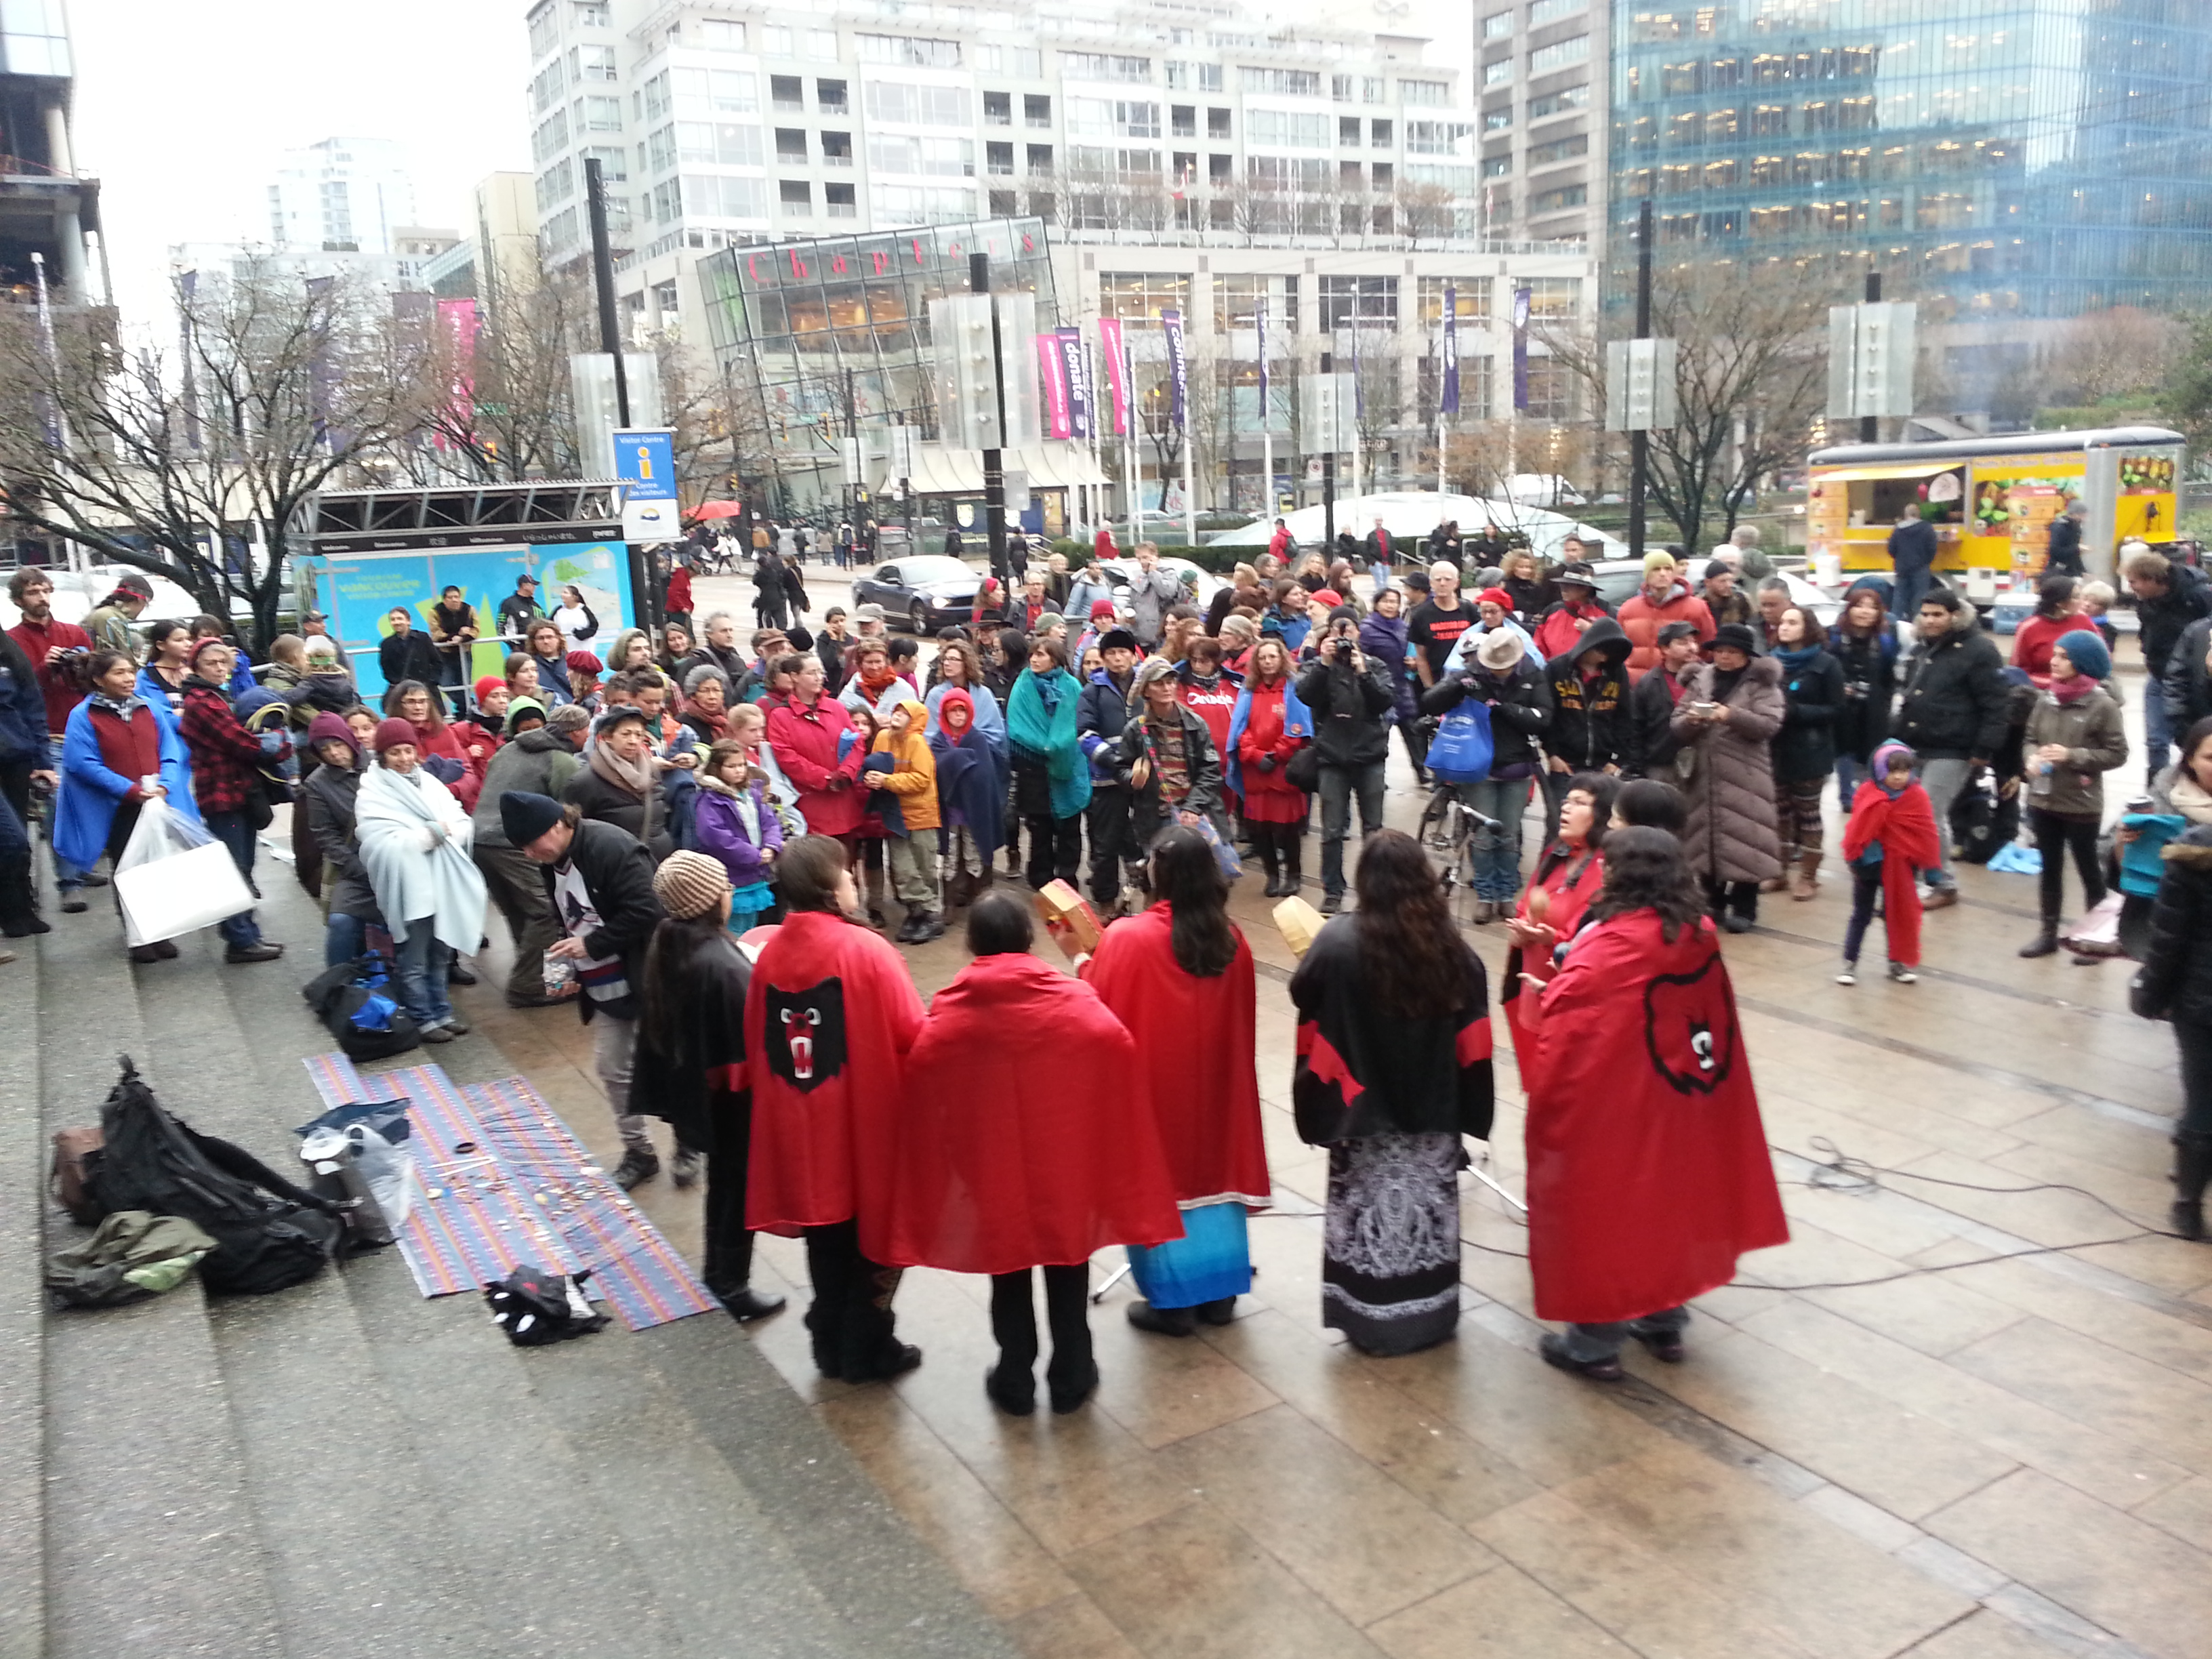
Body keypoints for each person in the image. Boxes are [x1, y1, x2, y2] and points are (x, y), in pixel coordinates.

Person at [883, 893, 1179, 1415]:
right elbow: (1117, 1041)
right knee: (1068, 1259)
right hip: (1062, 1157)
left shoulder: (954, 1005)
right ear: (1028, 938)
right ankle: (1073, 1372)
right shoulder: (1069, 997)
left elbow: (924, 1066)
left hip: (990, 1161)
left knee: (1008, 1265)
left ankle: (1015, 1374)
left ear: (972, 942)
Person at [1515, 826, 1788, 1378]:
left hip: (1619, 1108)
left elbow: (1575, 1034)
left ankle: (1594, 1344)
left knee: (1607, 1210)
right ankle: (1664, 1323)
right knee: (1670, 1206)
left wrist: (1551, 994)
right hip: (1685, 1100)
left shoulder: (1612, 945)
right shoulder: (1697, 931)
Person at [1288, 829, 1493, 1355]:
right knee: (1427, 1222)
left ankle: (1368, 1318)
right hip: (1433, 1110)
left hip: (1362, 1113)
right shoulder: (1450, 947)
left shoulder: (1337, 941)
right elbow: (1474, 1038)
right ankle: (1430, 1315)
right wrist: (1473, 1109)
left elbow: (1302, 992)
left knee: (1367, 1219)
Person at [743, 834, 926, 1382]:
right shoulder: (867, 950)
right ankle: (869, 1346)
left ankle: (827, 1339)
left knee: (825, 1237)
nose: (854, 882)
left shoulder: (771, 952)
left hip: (800, 1122)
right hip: (863, 1119)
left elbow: (757, 1035)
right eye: (847, 875)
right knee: (875, 1241)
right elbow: (911, 1031)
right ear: (828, 889)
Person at [1072, 825, 1269, 1336]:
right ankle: (1221, 1293)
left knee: (1160, 1182)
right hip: (1218, 1091)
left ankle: (1171, 1303)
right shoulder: (1234, 940)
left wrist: (1078, 956)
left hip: (1155, 1092)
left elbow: (1097, 1005)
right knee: (1215, 1181)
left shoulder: (1128, 938)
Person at [626, 848, 784, 1309]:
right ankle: (732, 1285)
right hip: (734, 1100)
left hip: (701, 1095)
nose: (730, 893)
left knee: (724, 1187)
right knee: (737, 1193)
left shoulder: (672, 938)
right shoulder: (721, 964)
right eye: (725, 888)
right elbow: (747, 1041)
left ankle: (718, 1274)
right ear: (709, 900)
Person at [506, 792, 668, 1187]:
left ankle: (688, 1144)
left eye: (532, 844)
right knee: (613, 1068)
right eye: (523, 848)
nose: (529, 855)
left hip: (650, 976)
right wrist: (563, 972)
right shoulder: (553, 859)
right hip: (605, 983)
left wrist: (591, 946)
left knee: (670, 1064)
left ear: (559, 825)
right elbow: (566, 916)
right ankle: (639, 1151)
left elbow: (650, 909)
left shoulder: (610, 846)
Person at [55, 651, 196, 962]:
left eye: (130, 671)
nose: (129, 678)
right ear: (98, 680)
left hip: (156, 800)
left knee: (159, 866)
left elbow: (169, 750)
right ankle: (139, 935)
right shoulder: (84, 715)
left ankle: (163, 931)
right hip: (118, 805)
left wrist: (166, 783)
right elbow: (81, 762)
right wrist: (128, 789)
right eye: (119, 673)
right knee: (129, 868)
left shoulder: (148, 707)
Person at [356, 718, 484, 1042]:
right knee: (413, 957)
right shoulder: (373, 792)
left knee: (440, 953)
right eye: (396, 752)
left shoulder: (429, 783)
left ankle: (442, 1012)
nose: (404, 758)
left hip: (442, 880)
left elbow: (458, 816)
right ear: (382, 755)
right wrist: (430, 835)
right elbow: (377, 842)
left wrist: (452, 830)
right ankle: (423, 1018)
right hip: (411, 887)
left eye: (409, 750)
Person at [2130, 747, 2212, 1238]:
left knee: (2202, 1099)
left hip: (2200, 1003)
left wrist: (2149, 993)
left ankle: (2187, 1205)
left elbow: (2167, 939)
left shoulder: (2192, 854)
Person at [1422, 629, 1553, 923]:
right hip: (1477, 767)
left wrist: (1502, 709)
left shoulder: (1532, 673)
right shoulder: (1473, 673)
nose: (1498, 671)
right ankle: (1485, 894)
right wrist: (1458, 686)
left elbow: (1544, 718)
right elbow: (1430, 702)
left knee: (1508, 835)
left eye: (1503, 666)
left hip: (1517, 766)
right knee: (1482, 836)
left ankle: (1505, 893)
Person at [1896, 588, 2011, 910]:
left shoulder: (1979, 650)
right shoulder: (1923, 648)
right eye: (1926, 614)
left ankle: (1943, 883)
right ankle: (1914, 880)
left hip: (1954, 746)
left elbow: (1996, 703)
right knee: (1910, 814)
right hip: (1915, 742)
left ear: (1955, 616)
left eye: (1938, 615)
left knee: (1929, 814)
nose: (1931, 620)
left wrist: (1985, 748)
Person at [2018, 630, 2128, 958]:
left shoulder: (2102, 705)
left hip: (2081, 803)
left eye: (2064, 656)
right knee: (2049, 866)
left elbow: (2117, 753)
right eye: (2055, 654)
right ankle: (2048, 933)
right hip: (2043, 798)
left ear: (2084, 663)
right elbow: (2029, 737)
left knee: (2088, 869)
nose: (2054, 662)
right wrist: (2031, 758)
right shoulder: (2046, 699)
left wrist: (2073, 756)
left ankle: (2097, 937)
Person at [176, 636, 285, 963]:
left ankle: (246, 934)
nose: (221, 668)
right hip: (223, 794)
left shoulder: (214, 697)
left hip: (235, 790)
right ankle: (240, 939)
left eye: (225, 662)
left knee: (244, 864)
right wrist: (277, 743)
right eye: (212, 663)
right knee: (235, 866)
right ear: (196, 666)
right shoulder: (202, 702)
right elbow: (244, 744)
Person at [1671, 623, 1785, 932]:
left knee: (1747, 840)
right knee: (1704, 836)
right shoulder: (1701, 678)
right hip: (1703, 773)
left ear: (1746, 656)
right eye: (1720, 651)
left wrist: (1729, 715)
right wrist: (1692, 720)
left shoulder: (1762, 684)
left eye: (1732, 653)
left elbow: (1768, 725)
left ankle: (1746, 906)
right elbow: (1677, 723)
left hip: (1745, 773)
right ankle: (1712, 902)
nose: (1724, 658)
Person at [1500, 772, 1620, 1056]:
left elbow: (1599, 937)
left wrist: (1552, 938)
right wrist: (1522, 927)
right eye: (1567, 801)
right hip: (1533, 989)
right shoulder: (1558, 852)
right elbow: (1526, 907)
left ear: (1604, 814)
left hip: (1574, 998)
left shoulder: (1610, 867)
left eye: (1580, 802)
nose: (1566, 807)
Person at [7, 568, 100, 909]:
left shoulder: (73, 632)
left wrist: (82, 666)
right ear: (19, 599)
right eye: (33, 592)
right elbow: (16, 693)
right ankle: (68, 882)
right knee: (57, 805)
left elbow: (94, 682)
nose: (42, 598)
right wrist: (45, 668)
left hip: (84, 730)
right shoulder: (12, 639)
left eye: (46, 590)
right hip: (46, 736)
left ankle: (79, 863)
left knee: (89, 803)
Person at [1298, 610, 1393, 915]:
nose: (1343, 637)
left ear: (1358, 632)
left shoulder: (1374, 664)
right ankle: (1333, 890)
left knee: (1374, 829)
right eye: (1337, 631)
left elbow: (1384, 701)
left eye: (1348, 629)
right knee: (1332, 830)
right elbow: (1305, 695)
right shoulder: (1318, 666)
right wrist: (1324, 664)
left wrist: (1362, 671)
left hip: (1369, 756)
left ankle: (1375, 891)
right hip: (1332, 757)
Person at [1836, 741, 1942, 986]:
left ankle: (1897, 963)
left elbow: (1927, 835)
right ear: (1880, 770)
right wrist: (1854, 858)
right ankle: (1849, 964)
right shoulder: (1866, 792)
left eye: (1904, 771)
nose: (1898, 777)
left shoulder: (1917, 797)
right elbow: (1856, 831)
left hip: (1903, 868)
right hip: (1869, 867)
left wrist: (1933, 872)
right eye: (1893, 771)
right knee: (1861, 914)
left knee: (1898, 914)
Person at [1119, 655, 1229, 856]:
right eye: (1159, 684)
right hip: (1155, 818)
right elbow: (1121, 768)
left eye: (1170, 682)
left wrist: (1193, 807)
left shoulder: (1195, 724)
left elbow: (1211, 770)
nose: (1166, 688)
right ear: (1145, 691)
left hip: (1194, 815)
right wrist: (1132, 779)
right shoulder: (1135, 729)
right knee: (1161, 876)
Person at [1769, 607, 1843, 901]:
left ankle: (1809, 877)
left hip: (1811, 750)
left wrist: (1798, 712)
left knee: (1808, 813)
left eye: (1792, 622)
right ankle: (1778, 871)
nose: (1784, 628)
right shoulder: (1772, 661)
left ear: (1807, 627)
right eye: (1782, 623)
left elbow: (1837, 709)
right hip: (1776, 747)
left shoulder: (1826, 664)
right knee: (1779, 812)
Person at [1227, 636, 1311, 897]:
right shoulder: (1248, 691)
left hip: (1282, 770)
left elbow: (1298, 729)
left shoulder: (1293, 689)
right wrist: (1254, 755)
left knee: (1287, 831)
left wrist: (1276, 754)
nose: (1267, 662)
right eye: (1262, 658)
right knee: (1259, 829)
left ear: (1282, 658)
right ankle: (1272, 875)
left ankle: (1294, 875)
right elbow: (1241, 729)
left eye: (1272, 657)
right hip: (1256, 772)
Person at [298, 712, 382, 968]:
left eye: (338, 744)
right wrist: (359, 870)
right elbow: (326, 835)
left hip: (395, 857)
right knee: (341, 922)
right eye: (324, 749)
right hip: (355, 867)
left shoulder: (379, 764)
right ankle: (337, 983)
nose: (334, 753)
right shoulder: (317, 784)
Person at [1538, 617, 1631, 846]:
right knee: (1559, 825)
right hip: (1565, 763)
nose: (1604, 658)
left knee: (1598, 826)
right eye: (1600, 651)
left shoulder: (1617, 673)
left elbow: (1626, 716)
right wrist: (1552, 754)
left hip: (1602, 764)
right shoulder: (1557, 669)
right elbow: (1549, 715)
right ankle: (1548, 876)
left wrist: (1618, 759)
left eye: (1609, 653)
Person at [1006, 636, 1089, 888]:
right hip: (1033, 768)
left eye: (1042, 655)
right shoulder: (1022, 685)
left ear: (1055, 658)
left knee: (1068, 828)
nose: (1035, 659)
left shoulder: (1072, 686)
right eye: (1033, 654)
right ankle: (1041, 877)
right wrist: (1043, 745)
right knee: (1039, 828)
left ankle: (1067, 875)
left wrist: (1057, 745)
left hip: (1068, 764)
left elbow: (1076, 723)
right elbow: (1017, 724)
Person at [862, 698, 943, 942]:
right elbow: (873, 765)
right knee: (903, 869)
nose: (897, 715)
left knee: (924, 866)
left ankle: (931, 915)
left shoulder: (917, 742)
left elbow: (921, 779)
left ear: (916, 720)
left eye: (905, 713)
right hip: (894, 815)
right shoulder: (883, 738)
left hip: (921, 816)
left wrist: (887, 781)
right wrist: (871, 778)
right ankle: (916, 912)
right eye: (896, 710)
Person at [1076, 628, 1142, 911]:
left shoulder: (1146, 687)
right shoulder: (1093, 691)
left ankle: (1142, 895)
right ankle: (1105, 901)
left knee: (1142, 841)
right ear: (1103, 658)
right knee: (1106, 844)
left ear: (1133, 655)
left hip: (1143, 779)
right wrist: (1114, 762)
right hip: (1107, 780)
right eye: (1111, 654)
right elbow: (1084, 734)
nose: (1118, 659)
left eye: (1123, 652)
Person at [693, 737, 783, 933]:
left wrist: (771, 847)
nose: (739, 770)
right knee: (733, 927)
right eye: (732, 766)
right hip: (732, 875)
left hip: (755, 873)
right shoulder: (710, 800)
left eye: (742, 764)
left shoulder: (752, 794)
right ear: (717, 768)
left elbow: (770, 822)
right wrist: (754, 856)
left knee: (752, 925)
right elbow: (716, 837)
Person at [565, 705, 671, 858]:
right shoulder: (585, 781)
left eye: (638, 735)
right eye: (626, 734)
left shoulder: (651, 771)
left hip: (657, 862)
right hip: (617, 866)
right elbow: (573, 832)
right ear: (607, 737)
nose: (633, 741)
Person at [1830, 583, 1899, 800]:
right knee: (1844, 748)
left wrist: (1884, 705)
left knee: (1872, 749)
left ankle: (1868, 794)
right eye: (1859, 606)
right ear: (1849, 609)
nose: (1865, 612)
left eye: (1872, 607)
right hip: (1842, 706)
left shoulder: (1885, 641)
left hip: (1874, 707)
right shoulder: (1834, 638)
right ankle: (1846, 794)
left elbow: (1889, 677)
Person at [382, 678, 484, 809]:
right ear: (398, 705)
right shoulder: (392, 736)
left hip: (456, 807)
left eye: (423, 701)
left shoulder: (443, 730)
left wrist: (448, 791)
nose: (418, 707)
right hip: (414, 808)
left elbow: (468, 773)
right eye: (411, 702)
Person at [1618, 552, 1717, 680]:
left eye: (1668, 569)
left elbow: (1707, 647)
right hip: (1635, 684)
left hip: (1680, 682)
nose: (1663, 573)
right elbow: (1619, 651)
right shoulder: (1628, 609)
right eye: (1656, 569)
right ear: (1646, 575)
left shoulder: (1696, 607)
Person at [1361, 586, 1422, 782]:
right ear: (1377, 604)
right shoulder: (1367, 629)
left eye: (1394, 602)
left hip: (1403, 686)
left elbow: (1415, 651)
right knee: (1380, 735)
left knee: (1413, 730)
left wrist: (1414, 663)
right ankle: (1377, 776)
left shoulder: (1404, 627)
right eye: (1386, 601)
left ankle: (1422, 771)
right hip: (1379, 688)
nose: (1390, 605)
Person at [1628, 621, 1699, 778]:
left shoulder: (1708, 677)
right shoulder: (1648, 683)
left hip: (1701, 764)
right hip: (1660, 764)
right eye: (1683, 643)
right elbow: (1635, 728)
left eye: (1694, 642)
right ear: (1665, 649)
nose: (1692, 648)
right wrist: (1637, 767)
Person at [1407, 560, 1473, 689]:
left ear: (1457, 583)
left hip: (1469, 681)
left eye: (1448, 579)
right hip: (1438, 682)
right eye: (1438, 580)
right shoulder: (1421, 614)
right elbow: (1421, 657)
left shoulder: (1469, 610)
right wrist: (1430, 689)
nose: (1443, 584)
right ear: (1431, 583)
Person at [1530, 562, 1613, 663]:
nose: (1563, 589)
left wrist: (1592, 631)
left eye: (1570, 585)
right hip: (1555, 675)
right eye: (1563, 584)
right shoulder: (1553, 610)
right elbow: (1538, 647)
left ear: (1585, 589)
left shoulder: (1606, 612)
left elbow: (1616, 647)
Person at [2011, 575, 2081, 689]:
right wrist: (2057, 686)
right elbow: (2018, 672)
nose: (2082, 601)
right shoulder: (2029, 628)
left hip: (2083, 694)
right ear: (2060, 603)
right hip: (2041, 694)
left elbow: (2101, 661)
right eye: (2076, 597)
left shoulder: (2084, 621)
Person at [1885, 505, 1940, 623]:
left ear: (1906, 515)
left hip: (1902, 568)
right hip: (1921, 568)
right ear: (1918, 514)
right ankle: (1918, 624)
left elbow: (1891, 549)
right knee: (1920, 598)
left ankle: (1895, 625)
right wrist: (1926, 561)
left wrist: (1900, 559)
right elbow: (1932, 548)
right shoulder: (1927, 528)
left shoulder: (1898, 529)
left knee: (1899, 598)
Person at [1126, 542, 1181, 651]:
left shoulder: (1168, 573)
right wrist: (1128, 615)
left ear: (1155, 556)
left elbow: (1167, 593)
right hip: (1139, 637)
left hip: (1160, 637)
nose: (1142, 562)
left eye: (1145, 557)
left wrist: (1153, 572)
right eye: (1139, 558)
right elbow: (1132, 602)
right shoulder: (1139, 578)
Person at [377, 606, 443, 693]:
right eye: (393, 620)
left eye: (400, 619)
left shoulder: (423, 638)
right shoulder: (386, 644)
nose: (396, 622)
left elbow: (436, 661)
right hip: (402, 690)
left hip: (426, 687)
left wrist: (432, 682)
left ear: (409, 621)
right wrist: (399, 684)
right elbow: (386, 669)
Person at [2045, 496, 2087, 581]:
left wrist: (2083, 572)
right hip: (2059, 571)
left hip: (2071, 571)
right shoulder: (2060, 527)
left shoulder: (2076, 528)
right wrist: (2077, 548)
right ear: (2074, 514)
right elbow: (2054, 551)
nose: (2085, 519)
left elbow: (2075, 557)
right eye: (2082, 515)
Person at [496, 573, 544, 642]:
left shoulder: (536, 606)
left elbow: (544, 625)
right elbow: (500, 626)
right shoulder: (508, 603)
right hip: (518, 647)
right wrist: (514, 645)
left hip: (536, 647)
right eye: (533, 585)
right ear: (524, 586)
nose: (535, 588)